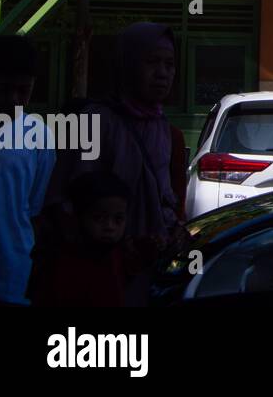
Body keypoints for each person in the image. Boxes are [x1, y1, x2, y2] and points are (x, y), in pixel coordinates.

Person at [44, 22, 187, 304]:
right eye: (152, 62)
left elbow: (172, 200)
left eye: (169, 64)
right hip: (99, 276)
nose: (162, 73)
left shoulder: (166, 130)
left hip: (150, 272)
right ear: (128, 64)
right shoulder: (92, 122)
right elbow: (66, 204)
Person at [0, 35, 56, 306]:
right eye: (3, 89)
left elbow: (36, 212)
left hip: (14, 274)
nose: (13, 100)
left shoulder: (39, 136)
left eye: (24, 91)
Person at [31, 171, 130, 307]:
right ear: (78, 217)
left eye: (118, 219)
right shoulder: (62, 265)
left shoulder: (116, 254)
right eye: (99, 218)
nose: (110, 227)